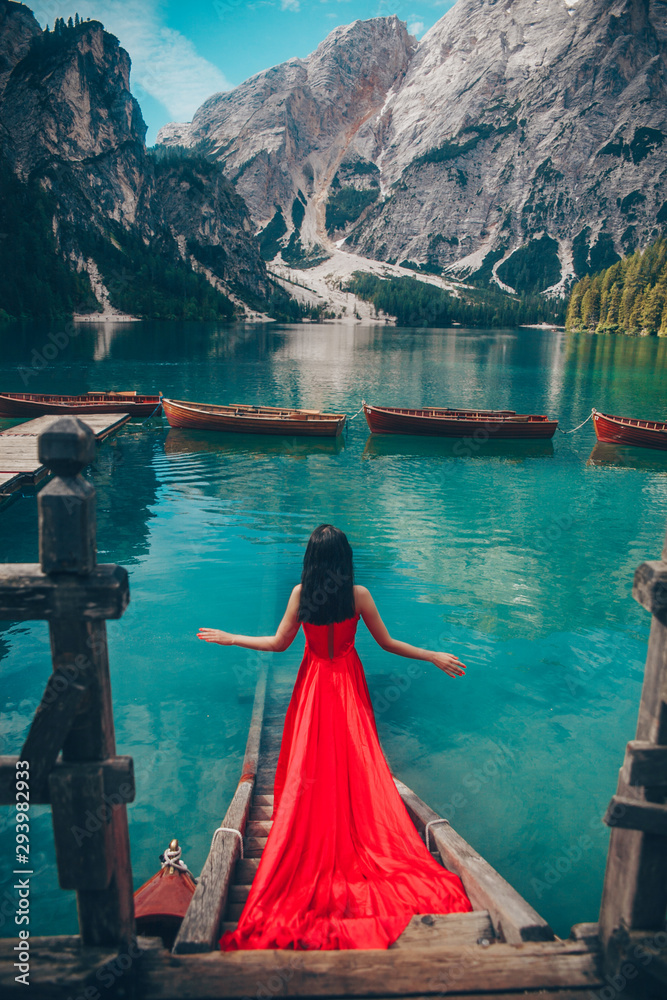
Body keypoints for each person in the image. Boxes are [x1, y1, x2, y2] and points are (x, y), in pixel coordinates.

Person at [197, 523, 471, 951]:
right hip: (346, 681)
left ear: (311, 558)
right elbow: (387, 643)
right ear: (344, 558)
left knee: (309, 755)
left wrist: (231, 638)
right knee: (355, 752)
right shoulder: (358, 595)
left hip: (313, 684)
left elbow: (277, 644)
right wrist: (432, 654)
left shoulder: (298, 594)